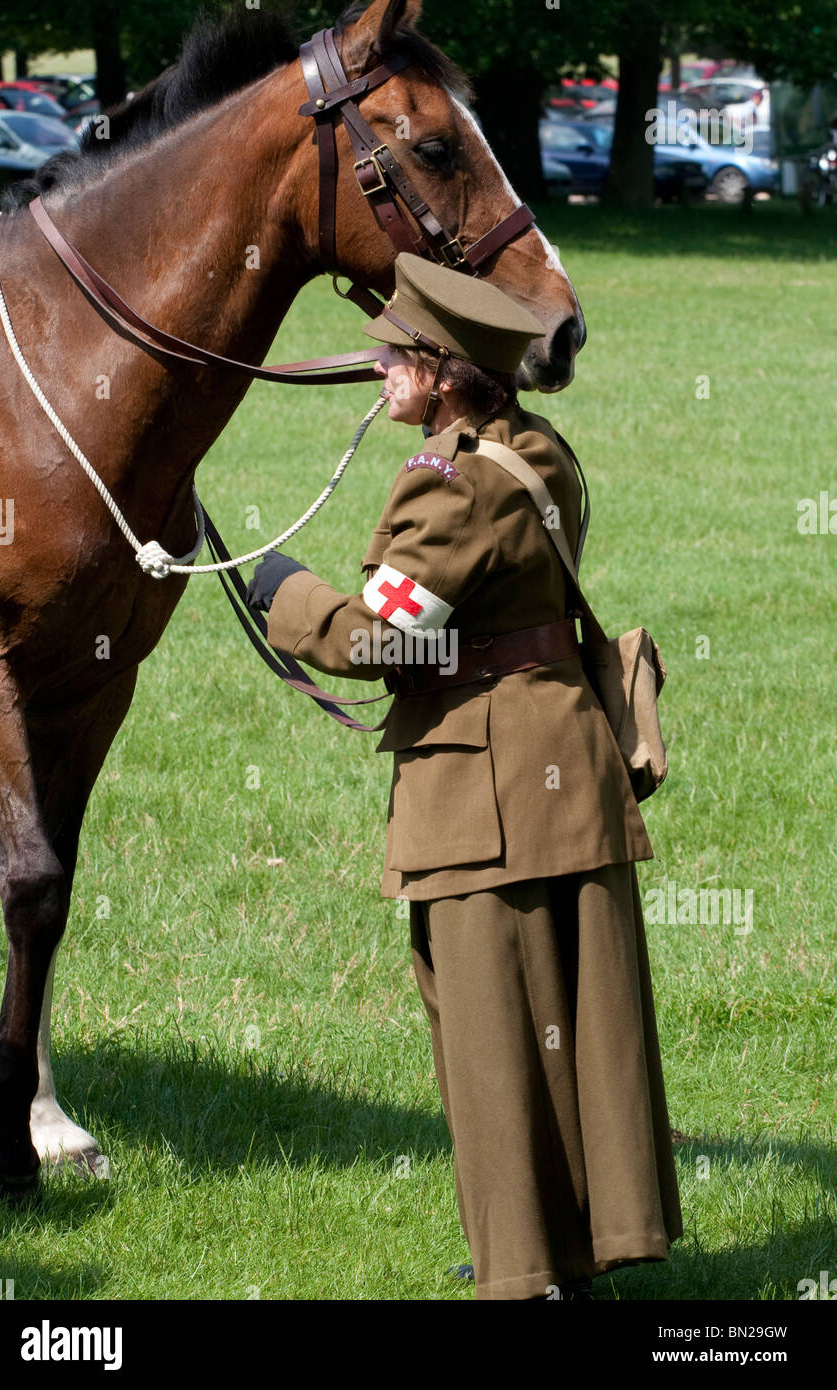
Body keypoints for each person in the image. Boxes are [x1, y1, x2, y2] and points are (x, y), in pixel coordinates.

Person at [246, 253, 683, 1301]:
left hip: (486, 793)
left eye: (395, 354)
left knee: (493, 1035)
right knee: (573, 1022)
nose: (378, 367)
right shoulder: (534, 449)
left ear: (443, 372)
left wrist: (280, 590)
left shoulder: (450, 486)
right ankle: (556, 1248)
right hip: (555, 764)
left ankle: (525, 1271)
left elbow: (380, 645)